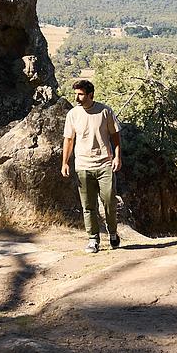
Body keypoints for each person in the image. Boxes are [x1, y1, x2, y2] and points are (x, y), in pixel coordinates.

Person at [61, 78, 122, 253]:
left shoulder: (105, 111)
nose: (77, 98)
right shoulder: (73, 114)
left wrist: (117, 157)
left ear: (90, 94)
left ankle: (113, 233)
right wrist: (65, 162)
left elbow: (115, 136)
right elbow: (69, 139)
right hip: (82, 165)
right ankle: (93, 239)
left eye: (80, 94)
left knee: (109, 202)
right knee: (88, 205)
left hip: (104, 164)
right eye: (75, 94)